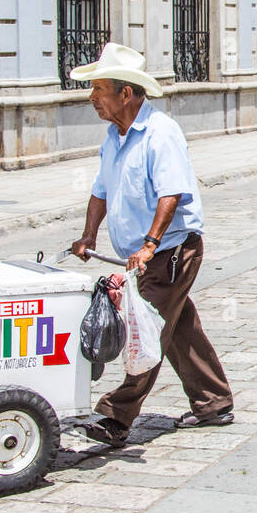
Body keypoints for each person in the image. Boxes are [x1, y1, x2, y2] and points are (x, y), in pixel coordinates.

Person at [70, 43, 234, 445]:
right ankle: (214, 401)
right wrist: (89, 235)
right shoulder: (115, 136)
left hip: (171, 251)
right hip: (145, 255)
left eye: (99, 90)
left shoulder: (161, 133)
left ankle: (116, 416)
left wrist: (149, 244)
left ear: (126, 94)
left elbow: (172, 193)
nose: (92, 99)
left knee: (146, 330)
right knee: (178, 328)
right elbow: (101, 191)